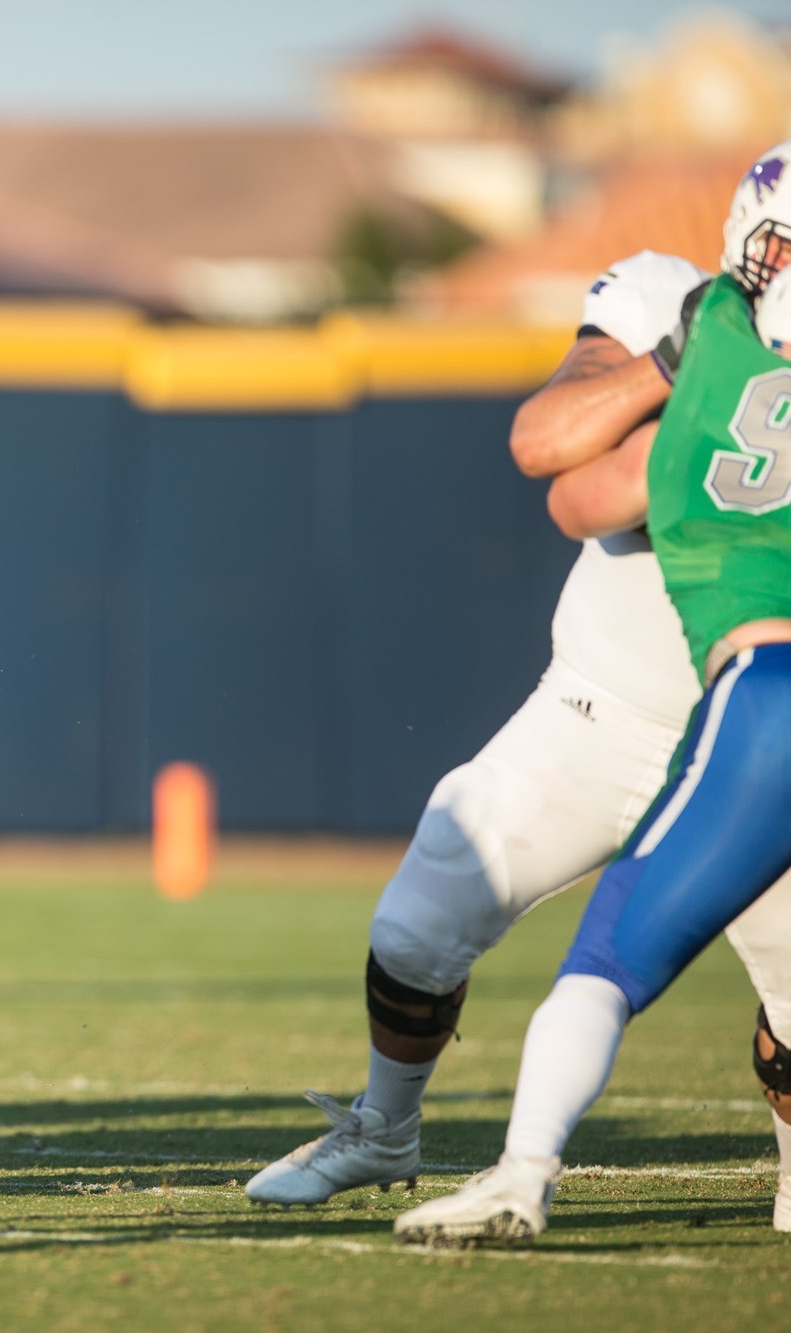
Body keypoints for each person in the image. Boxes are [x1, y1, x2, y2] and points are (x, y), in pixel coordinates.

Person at [246, 143, 791, 1222]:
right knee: (415, 923)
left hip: (751, 733)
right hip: (605, 710)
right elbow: (546, 449)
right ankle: (382, 1129)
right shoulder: (665, 303)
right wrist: (679, 364)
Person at [394, 198, 791, 1245]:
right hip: (641, 712)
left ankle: (522, 1172)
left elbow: (575, 497)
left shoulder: (696, 408)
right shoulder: (689, 346)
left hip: (760, 703)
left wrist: (681, 388)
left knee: (608, 960)